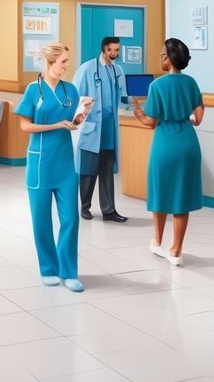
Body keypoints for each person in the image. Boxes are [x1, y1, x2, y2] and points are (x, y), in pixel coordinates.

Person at [16, 41, 89, 292]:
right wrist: (56, 125)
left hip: (66, 164)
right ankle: (48, 268)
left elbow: (72, 121)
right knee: (42, 220)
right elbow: (25, 126)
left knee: (71, 219)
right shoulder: (33, 90)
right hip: (40, 162)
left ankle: (69, 271)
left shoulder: (71, 91)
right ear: (50, 62)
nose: (67, 67)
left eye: (68, 61)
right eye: (63, 62)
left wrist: (79, 118)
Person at [132, 38, 203, 266]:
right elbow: (198, 118)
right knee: (181, 197)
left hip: (164, 145)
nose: (161, 57)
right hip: (188, 145)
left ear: (170, 58)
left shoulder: (157, 86)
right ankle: (176, 250)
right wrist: (185, 117)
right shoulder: (191, 82)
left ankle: (157, 240)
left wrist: (138, 112)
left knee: (160, 191)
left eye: (163, 54)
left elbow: (151, 121)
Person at [73, 36, 128, 223]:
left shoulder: (117, 70)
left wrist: (135, 106)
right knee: (88, 170)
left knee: (106, 171)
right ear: (104, 49)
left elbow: (123, 96)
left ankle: (109, 210)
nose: (115, 54)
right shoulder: (87, 68)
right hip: (92, 128)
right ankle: (85, 207)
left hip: (109, 129)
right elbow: (75, 95)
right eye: (112, 50)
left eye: (117, 50)